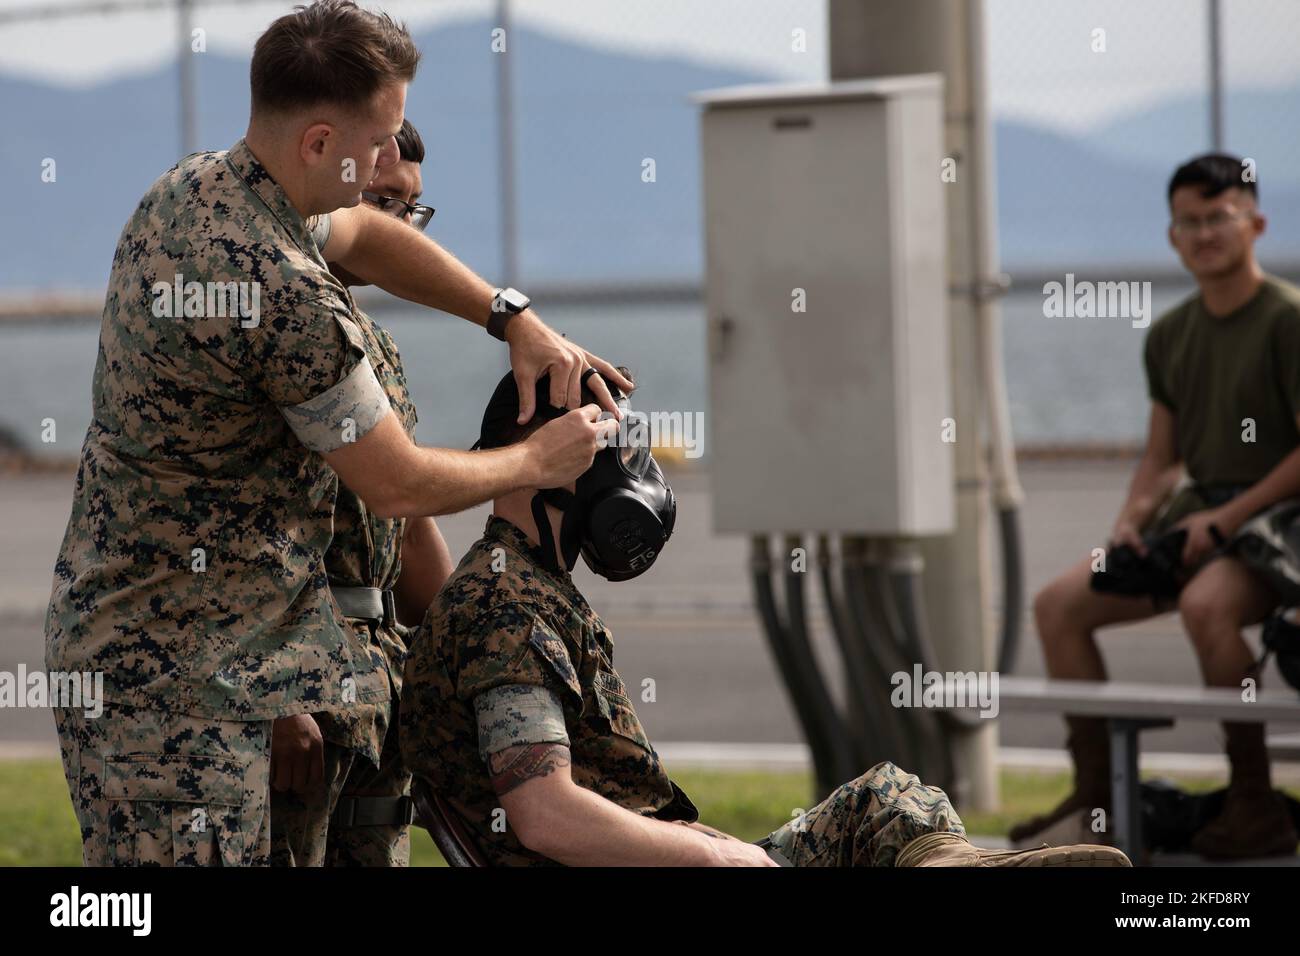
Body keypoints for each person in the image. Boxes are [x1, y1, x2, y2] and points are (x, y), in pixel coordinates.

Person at [46, 0, 627, 866]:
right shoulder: (282, 291)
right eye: (380, 139)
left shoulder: (203, 189)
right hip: (180, 695)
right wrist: (537, 459)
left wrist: (509, 316)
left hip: (186, 664)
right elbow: (392, 485)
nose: (389, 160)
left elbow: (362, 234)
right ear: (319, 143)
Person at [400, 370, 1131, 867]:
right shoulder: (504, 611)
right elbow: (546, 814)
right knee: (886, 811)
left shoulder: (527, 586)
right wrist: (718, 855)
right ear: (551, 460)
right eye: (605, 446)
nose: (627, 474)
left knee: (889, 802)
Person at [1012, 153, 1300, 859]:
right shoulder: (1171, 334)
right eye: (1189, 222)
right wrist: (1131, 521)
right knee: (1057, 606)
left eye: (1219, 218)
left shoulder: (1287, 320)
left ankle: (1254, 802)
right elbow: (1161, 456)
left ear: (1255, 224)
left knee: (1208, 606)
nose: (1204, 234)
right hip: (1195, 525)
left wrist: (1226, 522)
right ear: (1172, 236)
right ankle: (1099, 800)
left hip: (1275, 529)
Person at [270, 119, 451, 867]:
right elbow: (205, 523)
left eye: (410, 208)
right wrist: (272, 702)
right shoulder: (267, 316)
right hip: (291, 691)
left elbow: (403, 524)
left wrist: (466, 656)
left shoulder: (377, 347)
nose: (396, 225)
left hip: (372, 702)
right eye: (380, 201)